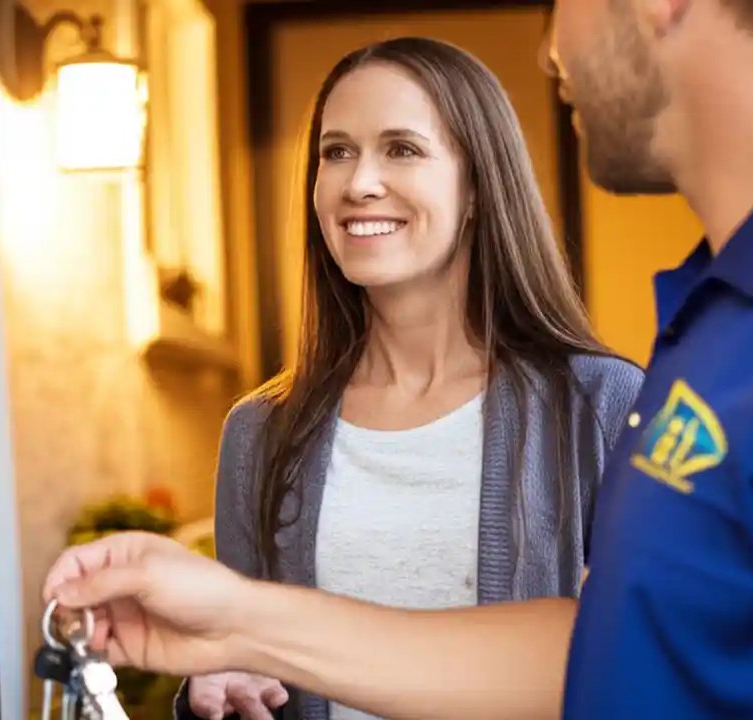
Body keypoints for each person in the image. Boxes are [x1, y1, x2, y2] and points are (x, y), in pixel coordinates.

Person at [44, 0, 753, 717]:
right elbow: (606, 653)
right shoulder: (727, 315)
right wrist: (233, 624)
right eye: (337, 153)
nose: (549, 49)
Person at [172, 37, 641, 720]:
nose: (359, 183)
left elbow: (655, 669)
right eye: (337, 152)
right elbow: (244, 673)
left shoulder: (601, 405)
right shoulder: (261, 432)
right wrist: (215, 686)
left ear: (477, 187)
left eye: (402, 149)